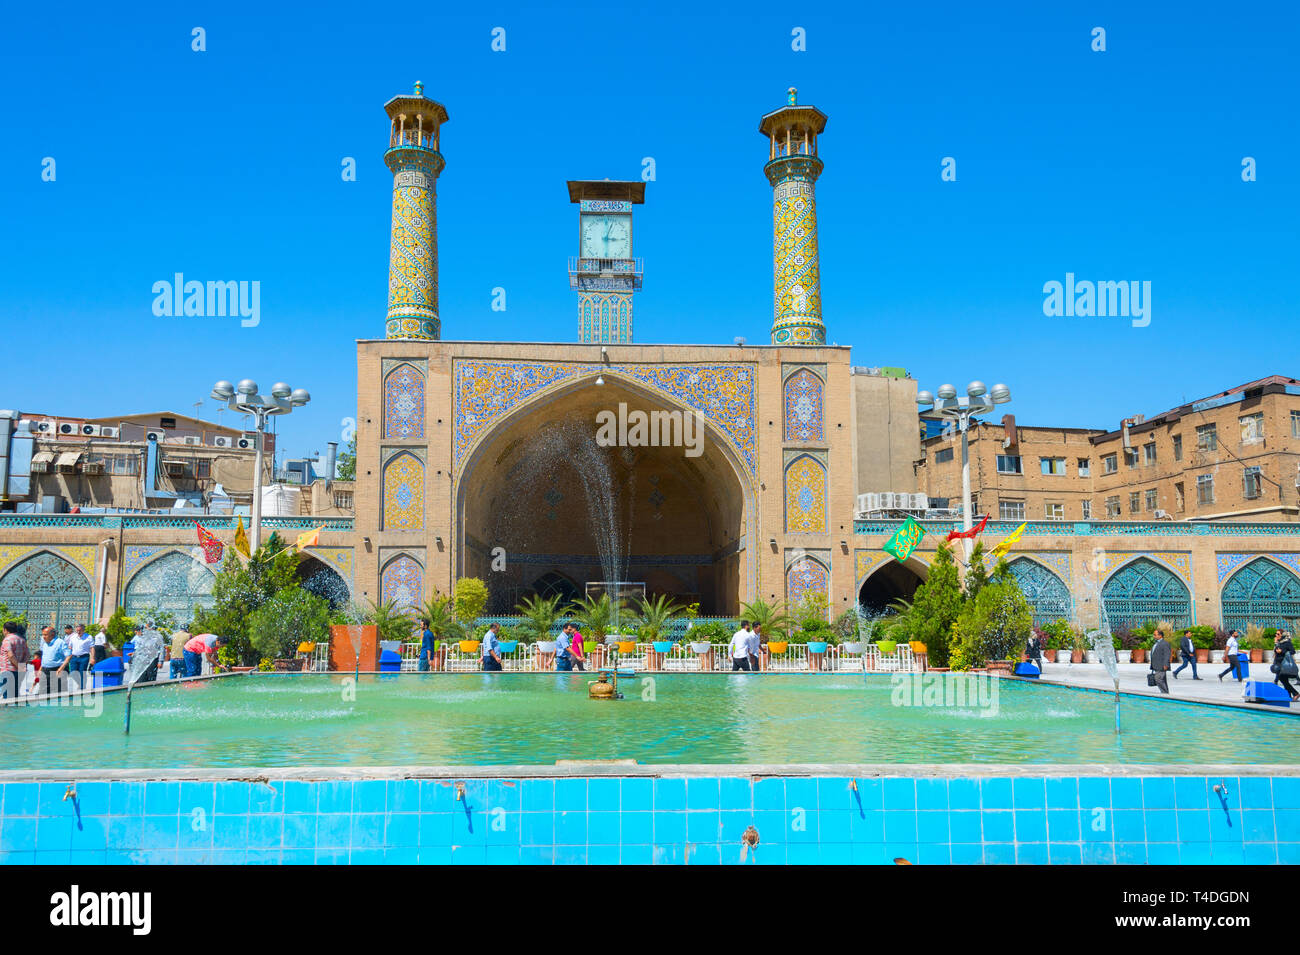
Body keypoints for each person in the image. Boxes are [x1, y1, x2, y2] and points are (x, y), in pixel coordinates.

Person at [0, 621, 29, 700]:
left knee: (7, 697)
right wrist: (21, 667)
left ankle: (7, 712)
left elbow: (11, 655)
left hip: (7, 670)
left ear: (5, 630)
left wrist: (18, 666)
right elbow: (27, 655)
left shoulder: (7, 640)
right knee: (15, 696)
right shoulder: (22, 640)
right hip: (19, 672)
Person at [38, 626, 69, 695]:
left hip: (56, 670)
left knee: (57, 692)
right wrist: (40, 669)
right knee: (43, 691)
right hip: (45, 670)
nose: (43, 637)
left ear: (52, 635)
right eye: (43, 634)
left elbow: (69, 655)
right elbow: (44, 657)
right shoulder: (45, 643)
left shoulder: (60, 642)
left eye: (45, 635)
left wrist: (61, 668)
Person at [65, 623, 94, 690]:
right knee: (72, 672)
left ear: (83, 630)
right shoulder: (73, 637)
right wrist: (67, 657)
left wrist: (92, 658)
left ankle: (82, 687)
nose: (78, 632)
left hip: (84, 657)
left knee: (82, 673)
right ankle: (81, 684)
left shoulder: (88, 637)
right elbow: (70, 647)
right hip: (74, 657)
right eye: (77, 630)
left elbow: (92, 648)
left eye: (80, 630)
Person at [1273, 630, 1299, 701]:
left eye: (1278, 634)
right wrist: (1276, 643)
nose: (1276, 635)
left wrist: (1282, 652)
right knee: (1284, 680)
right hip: (1279, 663)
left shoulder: (1287, 642)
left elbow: (1293, 651)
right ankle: (1289, 695)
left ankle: (1295, 693)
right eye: (1276, 634)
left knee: (1283, 679)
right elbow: (1276, 651)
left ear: (1282, 635)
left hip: (1285, 664)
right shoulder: (1278, 643)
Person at [1148, 629, 1171, 695]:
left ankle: (1164, 693)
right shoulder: (1156, 643)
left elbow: (1167, 654)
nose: (1154, 636)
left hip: (1162, 665)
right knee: (1162, 680)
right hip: (1156, 665)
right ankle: (1166, 693)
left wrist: (1166, 664)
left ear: (1160, 635)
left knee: (1158, 679)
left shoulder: (1165, 643)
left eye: (1155, 635)